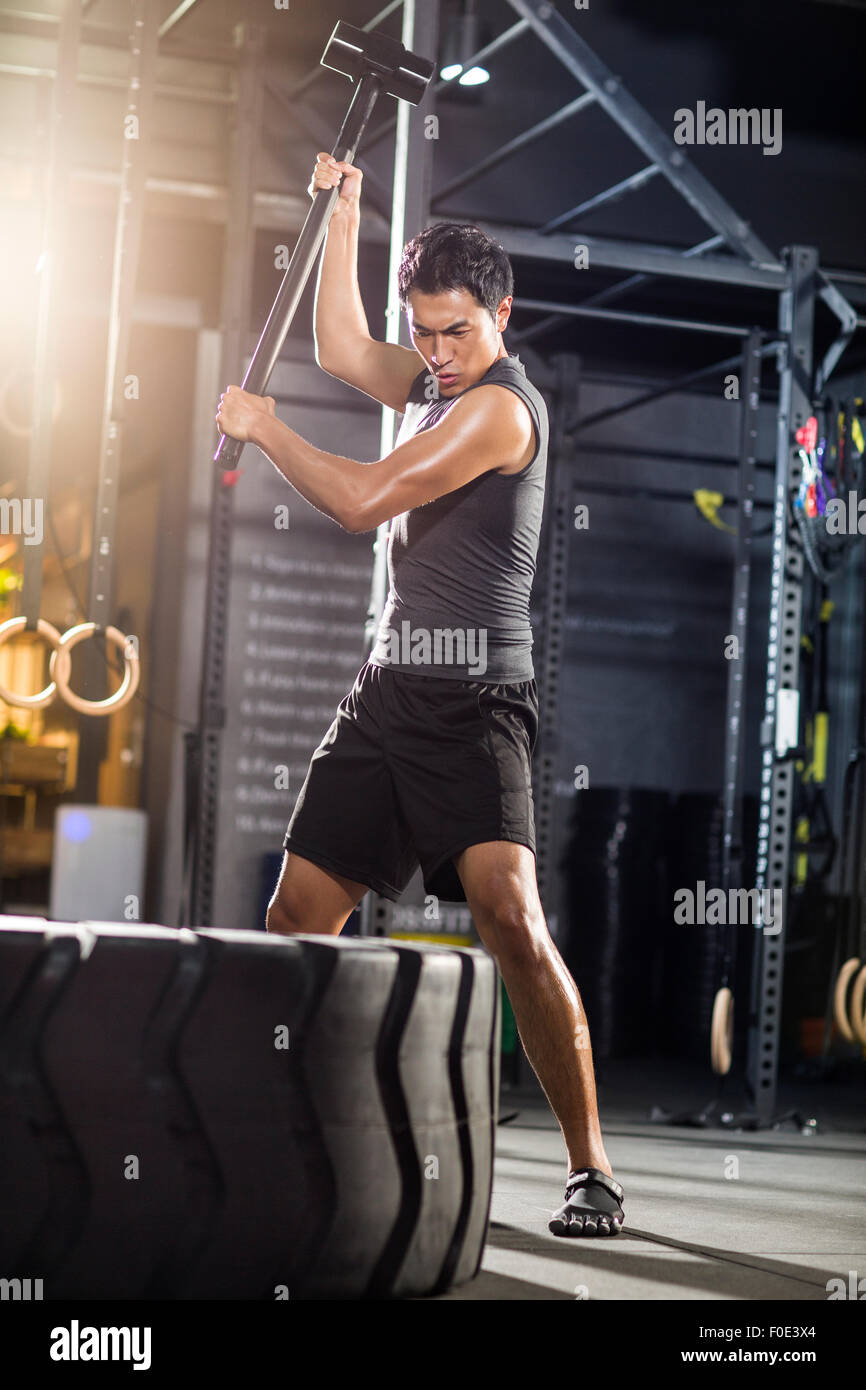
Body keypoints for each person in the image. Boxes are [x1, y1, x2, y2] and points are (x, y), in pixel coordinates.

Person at [215, 151, 624, 1239]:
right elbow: (340, 347)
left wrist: (265, 430)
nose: (436, 355)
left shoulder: (498, 413)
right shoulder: (432, 380)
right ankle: (283, 1129)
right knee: (297, 916)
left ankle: (589, 1168)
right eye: (426, 330)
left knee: (512, 923)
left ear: (501, 313)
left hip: (476, 705)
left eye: (456, 332)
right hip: (388, 692)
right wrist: (344, 213)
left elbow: (356, 502)